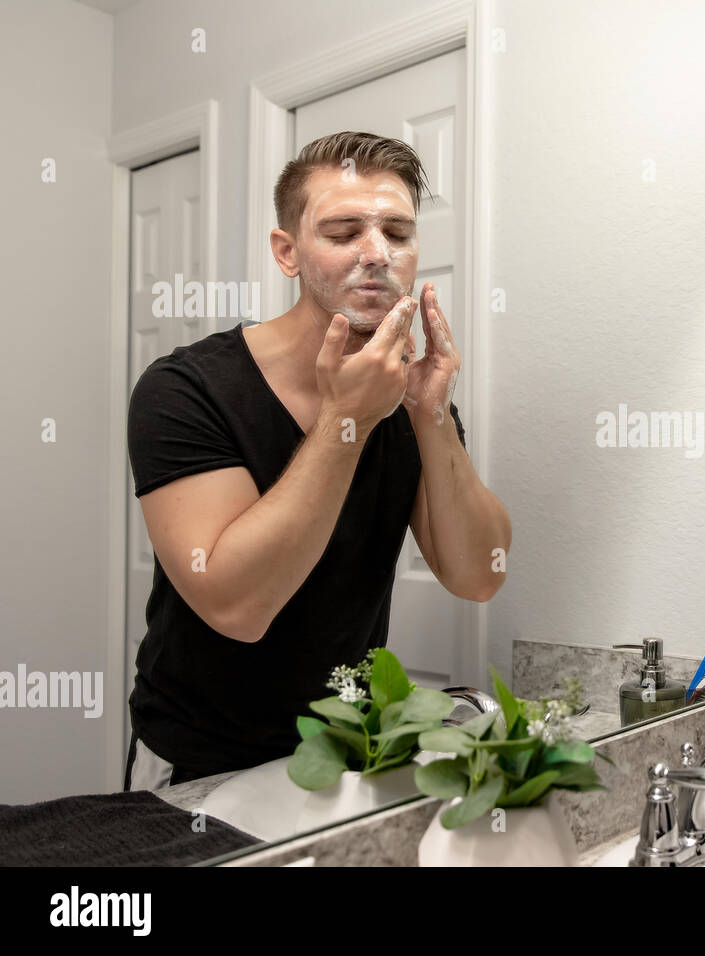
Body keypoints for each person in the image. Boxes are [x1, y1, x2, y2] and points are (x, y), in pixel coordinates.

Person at [125, 131, 511, 789]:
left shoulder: (408, 397)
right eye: (343, 232)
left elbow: (480, 575)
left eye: (397, 233)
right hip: (198, 759)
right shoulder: (186, 390)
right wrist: (345, 420)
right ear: (288, 253)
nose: (377, 253)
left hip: (348, 749)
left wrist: (431, 417)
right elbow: (238, 607)